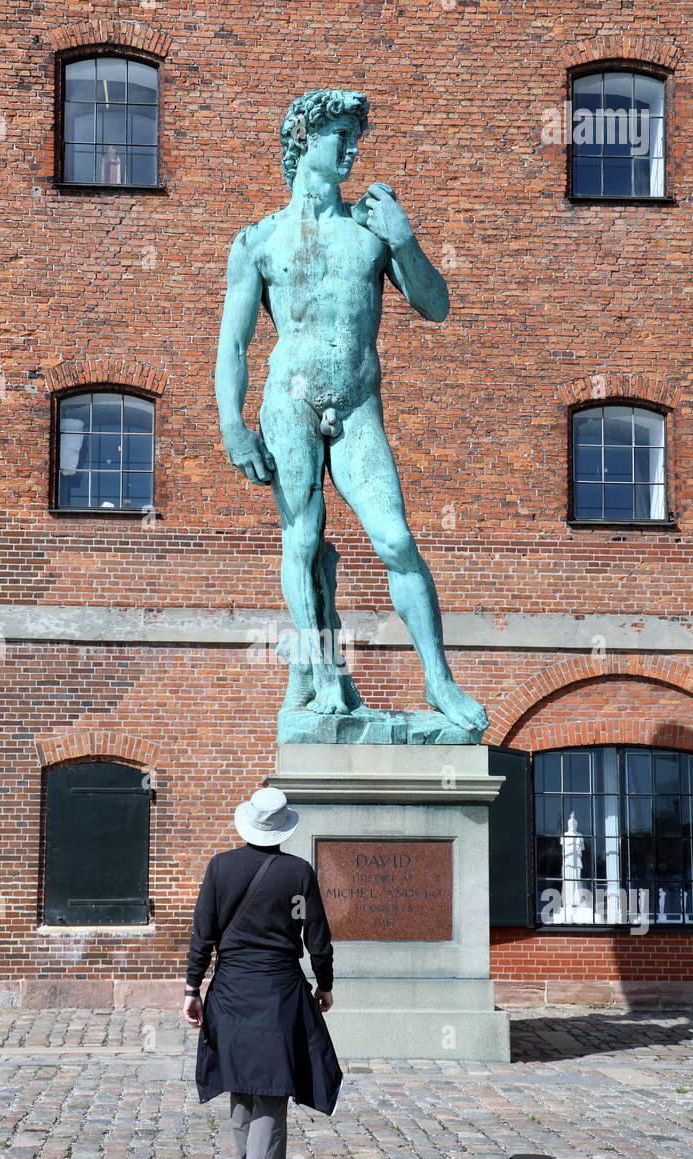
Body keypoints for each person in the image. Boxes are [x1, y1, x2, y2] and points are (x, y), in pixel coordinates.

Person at [214, 87, 488, 738]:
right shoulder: (259, 241)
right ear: (304, 140)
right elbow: (234, 343)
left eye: (356, 137)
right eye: (341, 136)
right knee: (303, 538)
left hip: (358, 404)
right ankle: (320, 672)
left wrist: (406, 240)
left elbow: (436, 305)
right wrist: (232, 425)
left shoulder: (371, 229)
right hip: (291, 402)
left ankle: (438, 680)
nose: (353, 149)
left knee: (395, 540)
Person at [182, 786, 343, 1159]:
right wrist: (325, 983)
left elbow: (202, 935)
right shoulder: (298, 873)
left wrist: (192, 989)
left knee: (240, 1082)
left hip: (231, 987)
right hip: (278, 990)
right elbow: (317, 937)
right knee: (272, 1085)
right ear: (283, 828)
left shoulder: (221, 868)